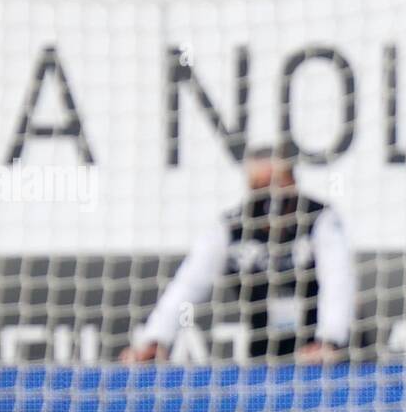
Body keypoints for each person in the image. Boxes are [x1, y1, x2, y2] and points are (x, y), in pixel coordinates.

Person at [121, 144, 355, 363]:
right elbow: (188, 284)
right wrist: (155, 338)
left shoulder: (321, 219)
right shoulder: (229, 227)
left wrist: (329, 340)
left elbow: (338, 281)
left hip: (322, 355)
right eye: (258, 186)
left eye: (274, 183)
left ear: (292, 182)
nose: (269, 196)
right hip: (264, 352)